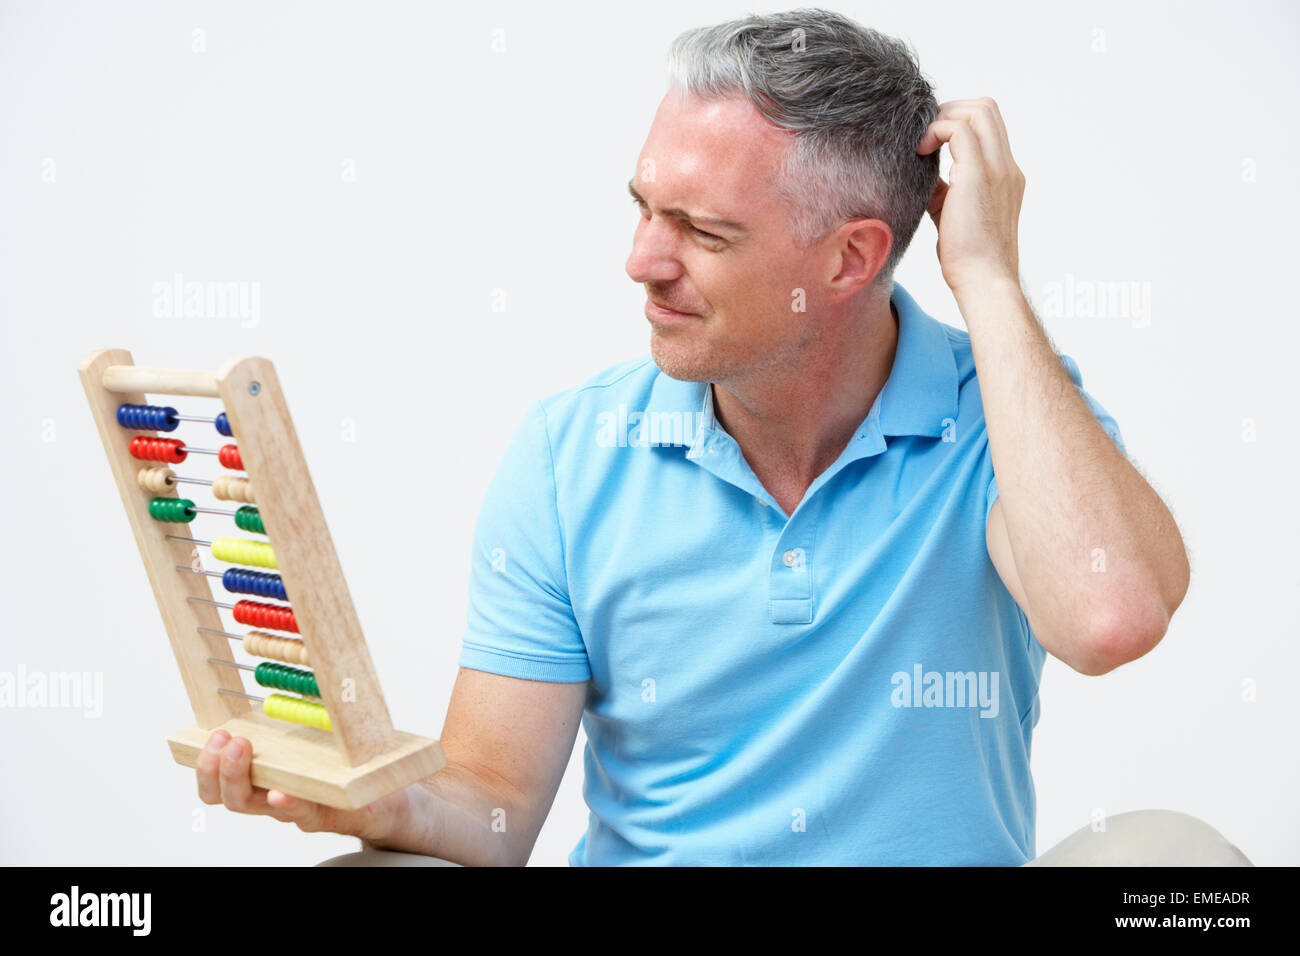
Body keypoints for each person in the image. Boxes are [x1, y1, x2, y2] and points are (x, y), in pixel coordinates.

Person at [197, 9, 1226, 867]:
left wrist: (990, 281)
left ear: (848, 259)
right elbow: (495, 802)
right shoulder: (573, 451)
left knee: (1179, 866)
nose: (641, 260)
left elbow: (1109, 617)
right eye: (646, 208)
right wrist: (378, 802)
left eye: (702, 230)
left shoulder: (1003, 415)